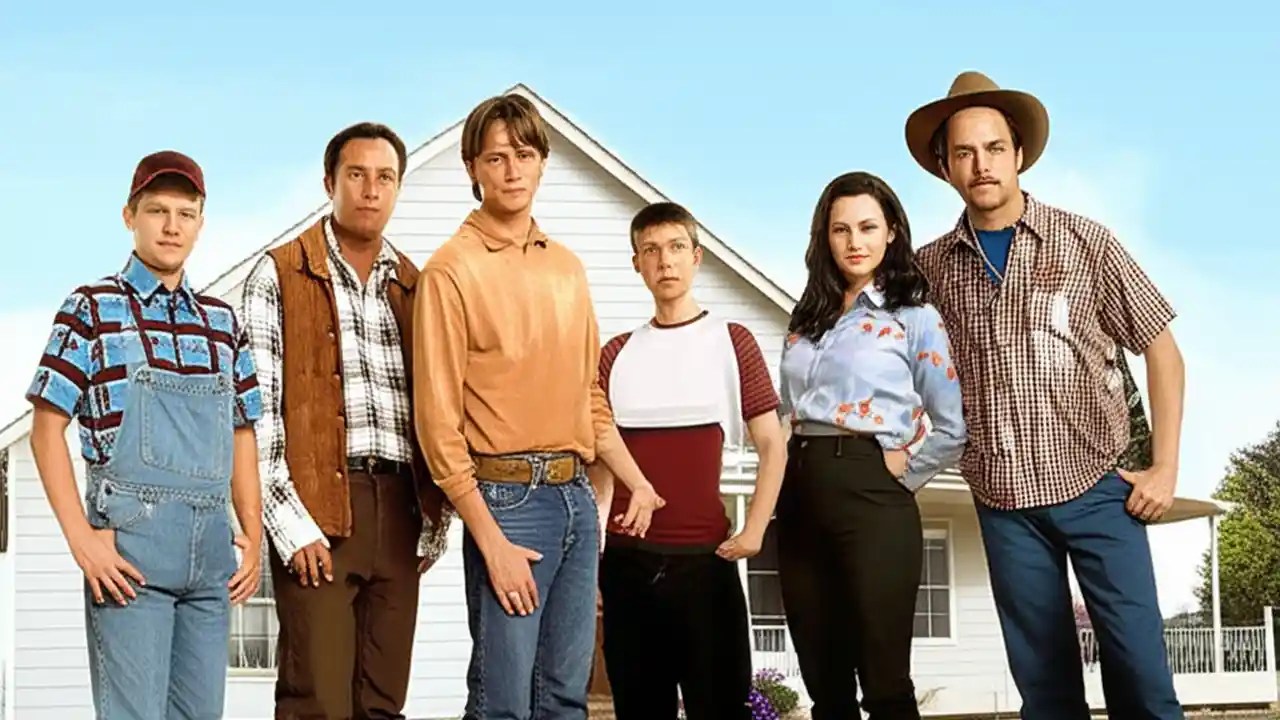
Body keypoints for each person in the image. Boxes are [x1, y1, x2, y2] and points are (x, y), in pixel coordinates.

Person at [905, 71, 1186, 719]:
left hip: (1100, 490)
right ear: (945, 166)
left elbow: (1162, 351)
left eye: (995, 148)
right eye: (965, 153)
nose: (982, 165)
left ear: (1019, 154)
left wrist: (1165, 464)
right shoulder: (929, 270)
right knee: (1048, 693)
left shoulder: (1087, 243)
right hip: (1005, 503)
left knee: (1143, 679)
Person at [412, 93, 661, 720]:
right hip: (506, 504)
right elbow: (437, 424)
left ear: (543, 162)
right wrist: (489, 539)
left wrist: (635, 482)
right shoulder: (450, 271)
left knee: (565, 699)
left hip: (577, 499)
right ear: (473, 168)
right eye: (496, 158)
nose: (512, 170)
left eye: (524, 154)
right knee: (502, 705)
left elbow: (588, 396)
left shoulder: (568, 270)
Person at [25, 150, 265, 719]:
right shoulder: (91, 308)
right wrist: (83, 540)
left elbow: (242, 434)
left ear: (201, 223)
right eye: (157, 210)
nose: (172, 225)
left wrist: (252, 537)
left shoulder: (223, 322)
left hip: (209, 559)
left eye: (186, 213)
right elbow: (45, 431)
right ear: (130, 216)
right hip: (130, 555)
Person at [240, 122, 451, 719]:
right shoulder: (279, 273)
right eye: (356, 175)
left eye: (385, 177)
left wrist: (434, 520)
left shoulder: (416, 284)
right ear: (329, 182)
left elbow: (439, 407)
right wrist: (290, 524)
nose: (370, 189)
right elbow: (255, 414)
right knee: (319, 702)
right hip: (320, 512)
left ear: (398, 187)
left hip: (403, 507)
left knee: (383, 703)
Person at [777, 171, 966, 720]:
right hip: (801, 490)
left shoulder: (913, 316)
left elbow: (951, 426)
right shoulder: (807, 317)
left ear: (891, 233)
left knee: (883, 681)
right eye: (840, 229)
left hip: (872, 492)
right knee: (824, 684)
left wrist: (902, 471)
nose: (854, 242)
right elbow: (792, 408)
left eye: (866, 227)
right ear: (824, 238)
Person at [591, 201, 787, 720]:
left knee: (721, 709)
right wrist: (592, 564)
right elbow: (601, 473)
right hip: (628, 567)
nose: (665, 261)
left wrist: (757, 529)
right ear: (637, 264)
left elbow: (773, 444)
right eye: (651, 251)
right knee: (639, 710)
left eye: (677, 247)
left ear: (697, 257)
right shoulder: (615, 353)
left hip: (706, 565)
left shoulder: (732, 342)